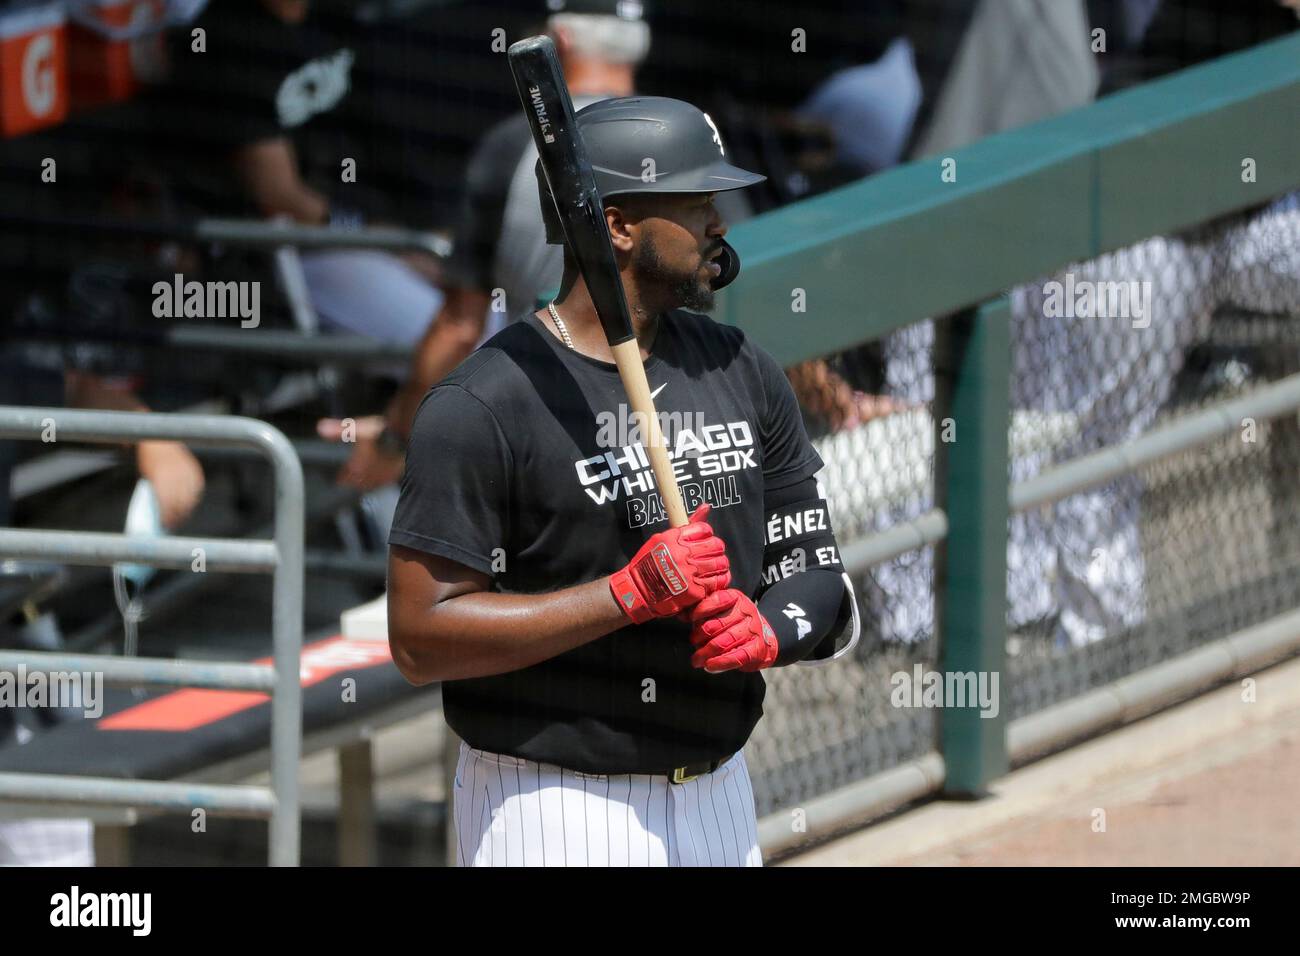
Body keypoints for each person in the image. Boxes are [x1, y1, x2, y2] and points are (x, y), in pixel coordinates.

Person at [386, 96, 860, 867]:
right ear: (617, 225)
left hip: (720, 792)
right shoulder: (484, 403)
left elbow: (818, 575)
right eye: (699, 202)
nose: (720, 224)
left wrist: (771, 629)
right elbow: (420, 638)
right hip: (554, 804)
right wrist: (624, 596)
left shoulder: (739, 367)